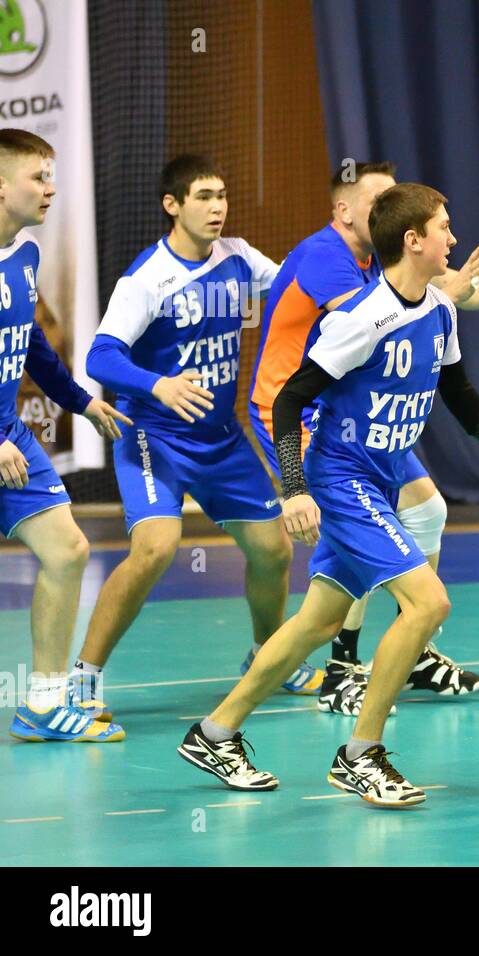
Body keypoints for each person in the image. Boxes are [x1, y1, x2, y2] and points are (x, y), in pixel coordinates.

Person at [179, 183, 479, 806]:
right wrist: (295, 489)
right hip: (342, 478)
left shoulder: (439, 309)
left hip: (381, 475)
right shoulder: (361, 318)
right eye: (444, 228)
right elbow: (288, 400)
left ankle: (213, 733)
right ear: (413, 240)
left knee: (317, 621)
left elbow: (457, 392)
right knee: (427, 604)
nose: (453, 238)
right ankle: (361, 755)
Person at [246, 160, 479, 714]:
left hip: (368, 422)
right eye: (379, 200)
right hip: (306, 415)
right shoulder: (328, 260)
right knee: (370, 558)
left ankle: (408, 650)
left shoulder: (383, 265)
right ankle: (346, 672)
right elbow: (389, 319)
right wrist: (295, 489)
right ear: (345, 211)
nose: (390, 205)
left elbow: (452, 296)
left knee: (426, 514)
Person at [72, 155, 316, 725]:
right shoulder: (147, 278)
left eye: (222, 195)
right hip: (154, 437)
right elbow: (99, 357)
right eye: (204, 197)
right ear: (172, 205)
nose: (217, 207)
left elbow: (298, 289)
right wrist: (157, 384)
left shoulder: (238, 257)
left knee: (274, 550)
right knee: (155, 549)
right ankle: (82, 679)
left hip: (220, 439)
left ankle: (266, 657)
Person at [0, 128, 129, 742]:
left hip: (10, 437)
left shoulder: (24, 255)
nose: (51, 189)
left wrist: (81, 402)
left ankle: (43, 707)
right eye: (39, 177)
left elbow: (30, 345)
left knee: (68, 551)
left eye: (52, 176)